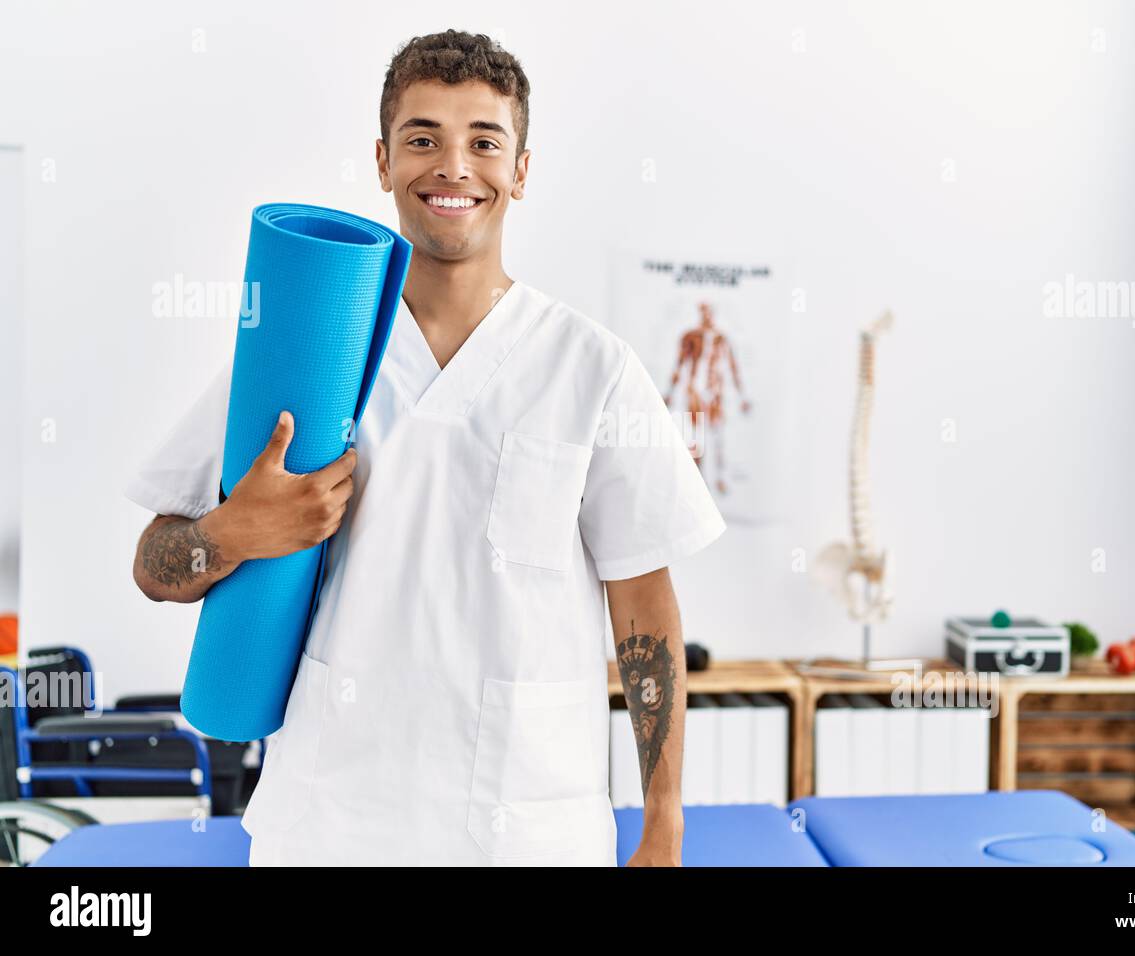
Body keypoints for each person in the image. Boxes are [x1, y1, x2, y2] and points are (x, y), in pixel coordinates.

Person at [125, 30, 725, 867]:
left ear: (521, 170)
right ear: (382, 160)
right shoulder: (308, 355)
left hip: (526, 829)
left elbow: (643, 603)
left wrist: (664, 822)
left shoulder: (591, 370)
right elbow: (154, 565)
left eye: (484, 142)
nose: (453, 167)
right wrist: (233, 533)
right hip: (332, 827)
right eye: (422, 139)